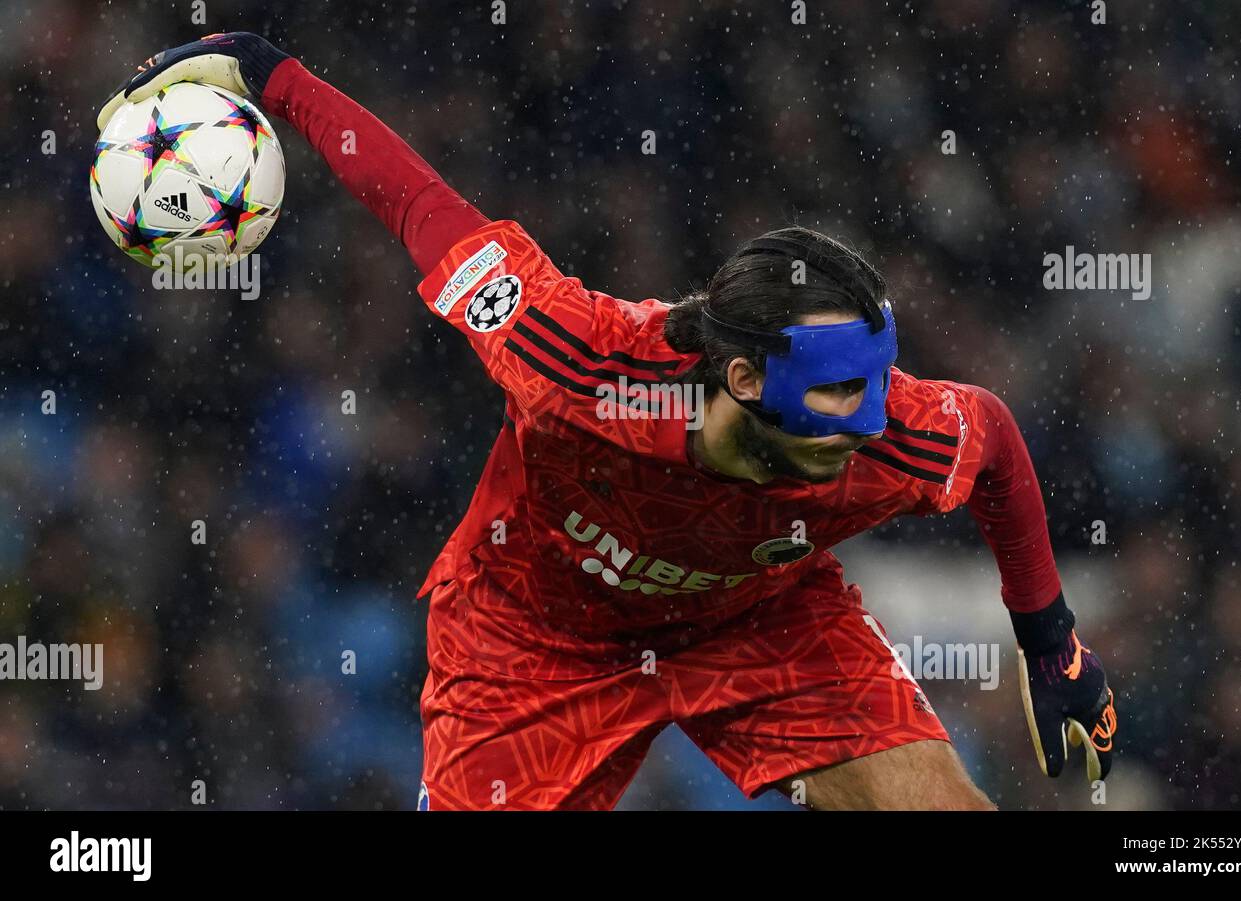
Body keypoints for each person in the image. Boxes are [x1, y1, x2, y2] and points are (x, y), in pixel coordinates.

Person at [98, 33, 1118, 810]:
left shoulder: (889, 425)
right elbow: (421, 209)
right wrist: (269, 73)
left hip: (762, 621)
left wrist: (1051, 642)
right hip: (531, 636)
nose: (872, 418)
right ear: (741, 378)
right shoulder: (577, 357)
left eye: (876, 380)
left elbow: (991, 442)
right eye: (841, 392)